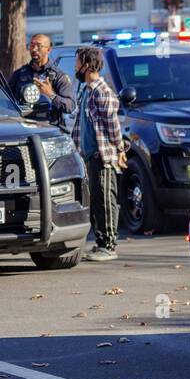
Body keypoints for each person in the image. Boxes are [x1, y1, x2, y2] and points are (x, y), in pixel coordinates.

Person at [72, 46, 124, 261]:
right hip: (89, 156)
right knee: (96, 200)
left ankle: (109, 245)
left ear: (87, 64)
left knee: (105, 200)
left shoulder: (102, 92)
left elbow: (113, 127)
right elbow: (80, 125)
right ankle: (100, 242)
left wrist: (120, 150)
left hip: (102, 156)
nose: (75, 66)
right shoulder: (87, 90)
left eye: (77, 62)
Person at [10, 34, 75, 129]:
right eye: (32, 45)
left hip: (49, 129)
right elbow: (7, 100)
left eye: (39, 46)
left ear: (48, 49)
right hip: (25, 129)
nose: (34, 49)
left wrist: (51, 95)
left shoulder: (58, 76)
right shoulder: (19, 74)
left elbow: (70, 106)